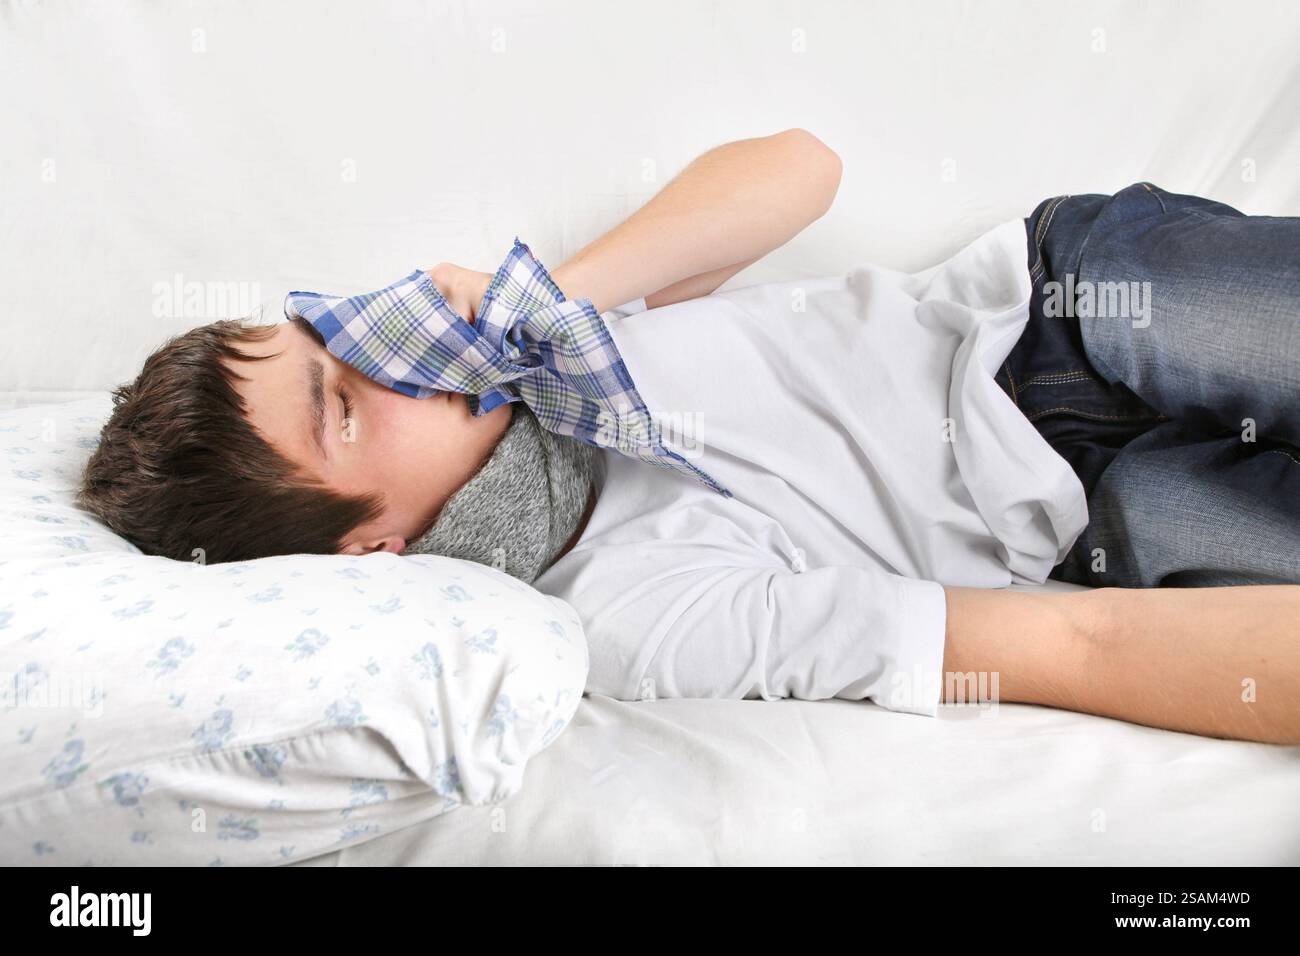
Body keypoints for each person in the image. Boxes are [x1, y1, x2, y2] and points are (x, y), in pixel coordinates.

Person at [77, 129, 1300, 745]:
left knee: (1210, 315)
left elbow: (800, 168)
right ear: (370, 548)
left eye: (343, 336)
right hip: (1092, 517)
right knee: (1202, 533)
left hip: (1048, 305)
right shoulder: (620, 611)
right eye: (343, 406)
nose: (393, 359)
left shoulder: (559, 336)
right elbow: (1073, 644)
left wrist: (556, 297)